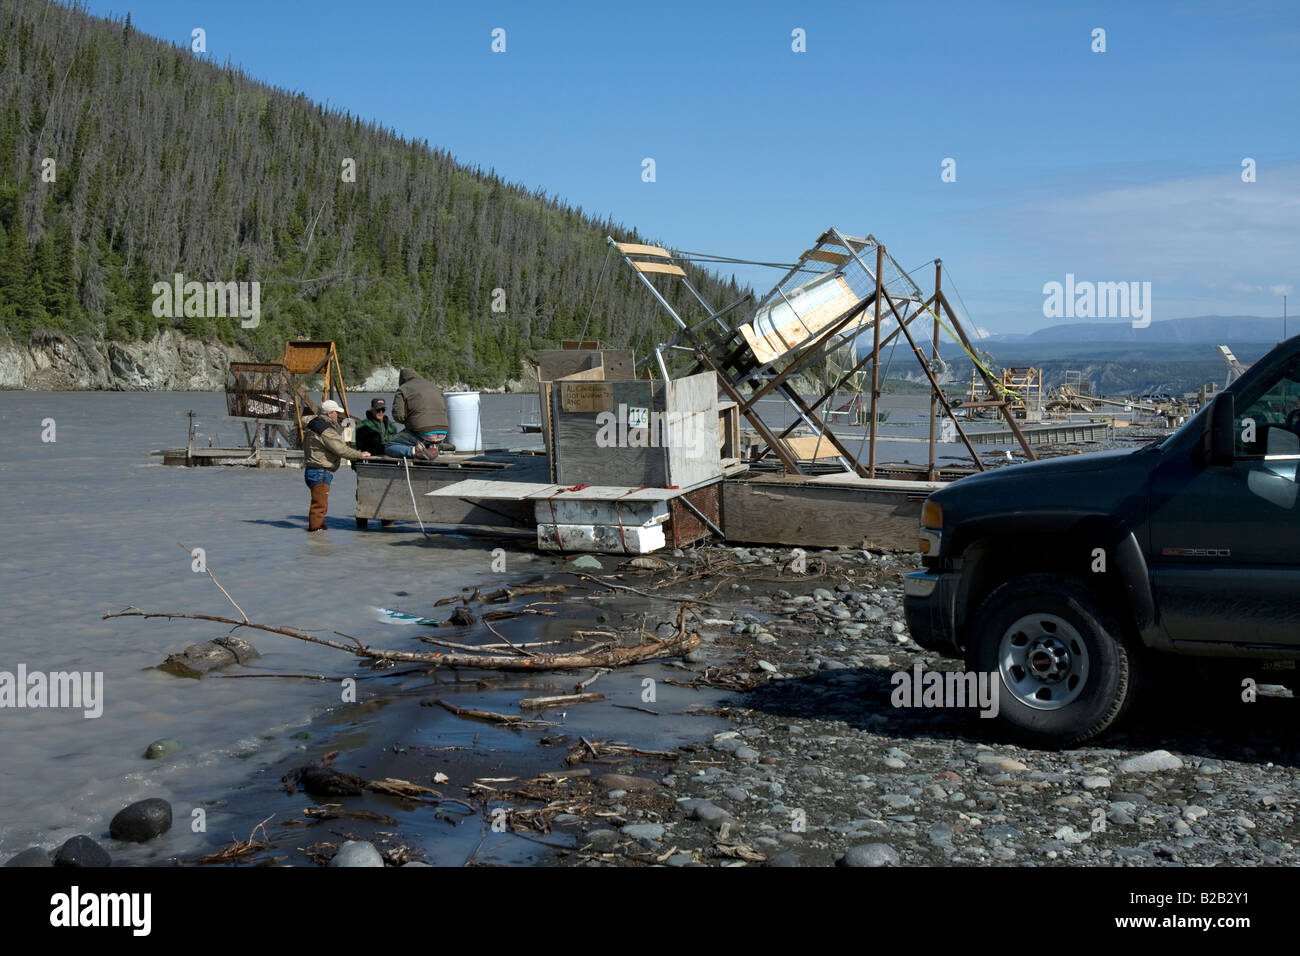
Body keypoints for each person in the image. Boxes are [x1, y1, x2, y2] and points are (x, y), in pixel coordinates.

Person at [302, 399, 369, 532]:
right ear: (330, 413)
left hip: (311, 470)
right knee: (319, 506)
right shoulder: (325, 430)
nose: (338, 415)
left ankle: (318, 532)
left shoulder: (312, 424)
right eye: (336, 413)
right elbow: (340, 449)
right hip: (320, 471)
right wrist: (361, 455)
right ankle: (316, 537)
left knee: (319, 504)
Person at [392, 368, 453, 454]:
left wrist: (410, 420)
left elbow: (398, 416)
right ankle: (435, 446)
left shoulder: (403, 389)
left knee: (391, 444)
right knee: (422, 435)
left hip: (424, 434)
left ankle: (416, 451)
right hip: (443, 433)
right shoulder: (434, 387)